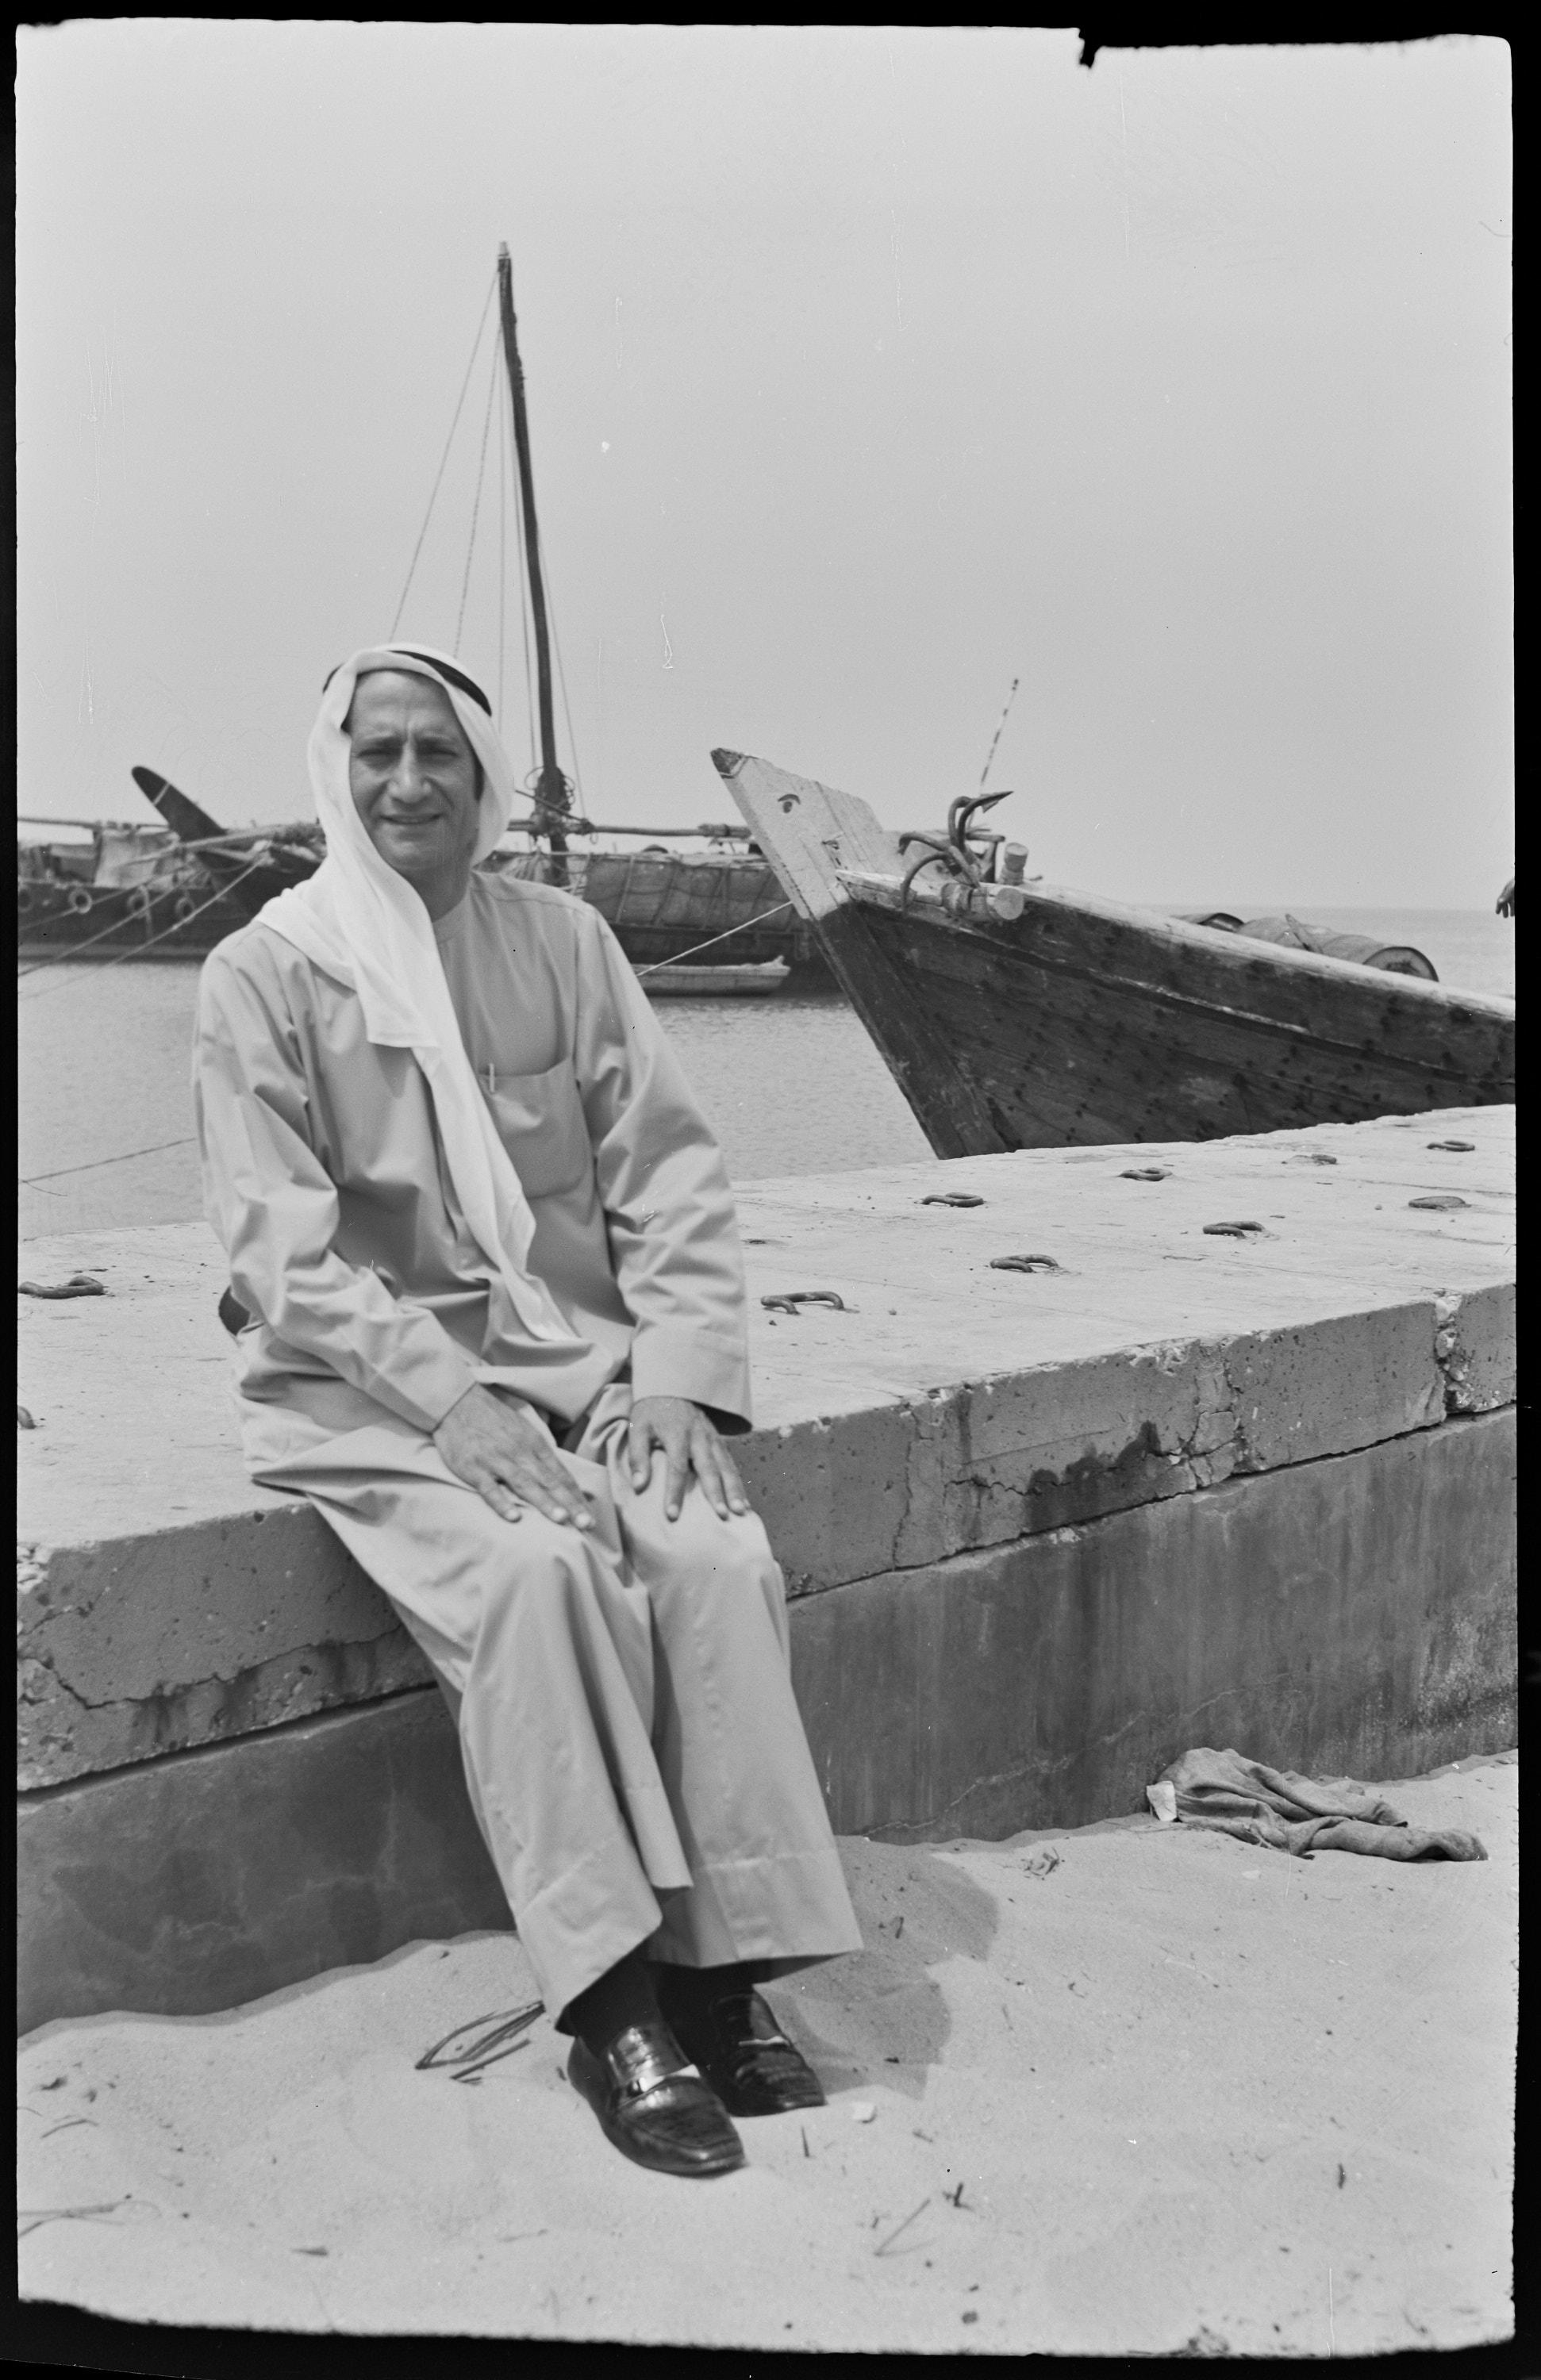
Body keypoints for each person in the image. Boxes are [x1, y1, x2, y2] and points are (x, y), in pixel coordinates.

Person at [193, 643, 863, 2179]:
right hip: (363, 1392)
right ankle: (611, 2002)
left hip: (574, 1367)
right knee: (537, 1575)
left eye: (438, 755)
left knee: (702, 1555)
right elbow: (282, 1259)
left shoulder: (559, 944)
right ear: (334, 773)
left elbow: (667, 1172)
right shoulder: (266, 976)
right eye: (377, 756)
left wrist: (678, 1378)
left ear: (483, 782)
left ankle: (718, 1973)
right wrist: (453, 1413)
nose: (408, 782)